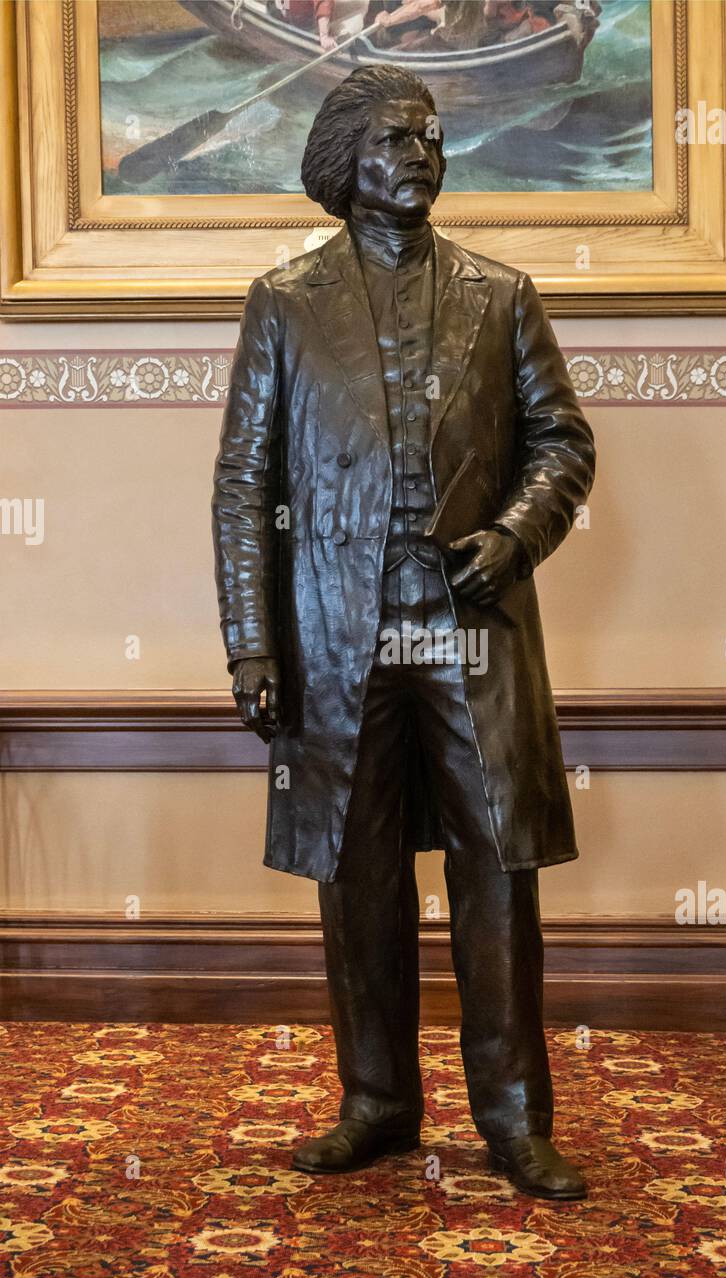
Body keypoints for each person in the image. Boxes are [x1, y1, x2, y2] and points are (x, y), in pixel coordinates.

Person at [212, 65, 596, 1199]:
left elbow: (561, 444)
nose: (418, 154)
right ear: (344, 159)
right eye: (392, 138)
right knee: (359, 867)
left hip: (470, 622)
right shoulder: (283, 302)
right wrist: (251, 641)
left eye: (430, 137)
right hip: (335, 630)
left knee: (498, 864)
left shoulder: (502, 292)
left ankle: (517, 1117)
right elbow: (243, 483)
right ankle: (376, 1100)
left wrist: (517, 538)